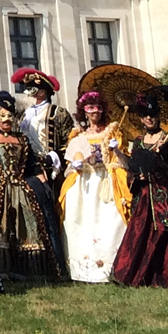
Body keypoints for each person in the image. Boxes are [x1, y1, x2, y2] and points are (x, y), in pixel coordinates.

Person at [0, 91, 67, 282]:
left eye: (9, 116)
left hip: (23, 187)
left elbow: (32, 164)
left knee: (31, 225)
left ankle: (29, 269)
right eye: (2, 116)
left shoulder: (22, 139)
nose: (6, 120)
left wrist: (43, 182)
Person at [111, 94, 168, 287]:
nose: (149, 118)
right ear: (141, 118)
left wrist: (163, 157)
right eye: (145, 115)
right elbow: (133, 166)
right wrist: (136, 176)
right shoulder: (139, 141)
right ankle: (140, 274)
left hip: (163, 193)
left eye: (152, 114)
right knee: (141, 233)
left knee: (165, 230)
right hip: (144, 196)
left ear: (158, 116)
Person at [60, 88, 132, 283]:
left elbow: (124, 162)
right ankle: (82, 270)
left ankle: (112, 268)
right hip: (83, 183)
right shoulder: (77, 135)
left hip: (105, 181)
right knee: (79, 221)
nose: (95, 112)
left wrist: (116, 150)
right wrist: (75, 164)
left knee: (109, 221)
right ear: (84, 111)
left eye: (98, 108)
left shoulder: (112, 131)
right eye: (91, 108)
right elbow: (72, 160)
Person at [13, 68, 75, 183]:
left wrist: (55, 156)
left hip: (48, 165)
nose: (28, 92)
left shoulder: (58, 113)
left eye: (32, 89)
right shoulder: (25, 113)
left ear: (43, 92)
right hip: (26, 163)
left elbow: (70, 139)